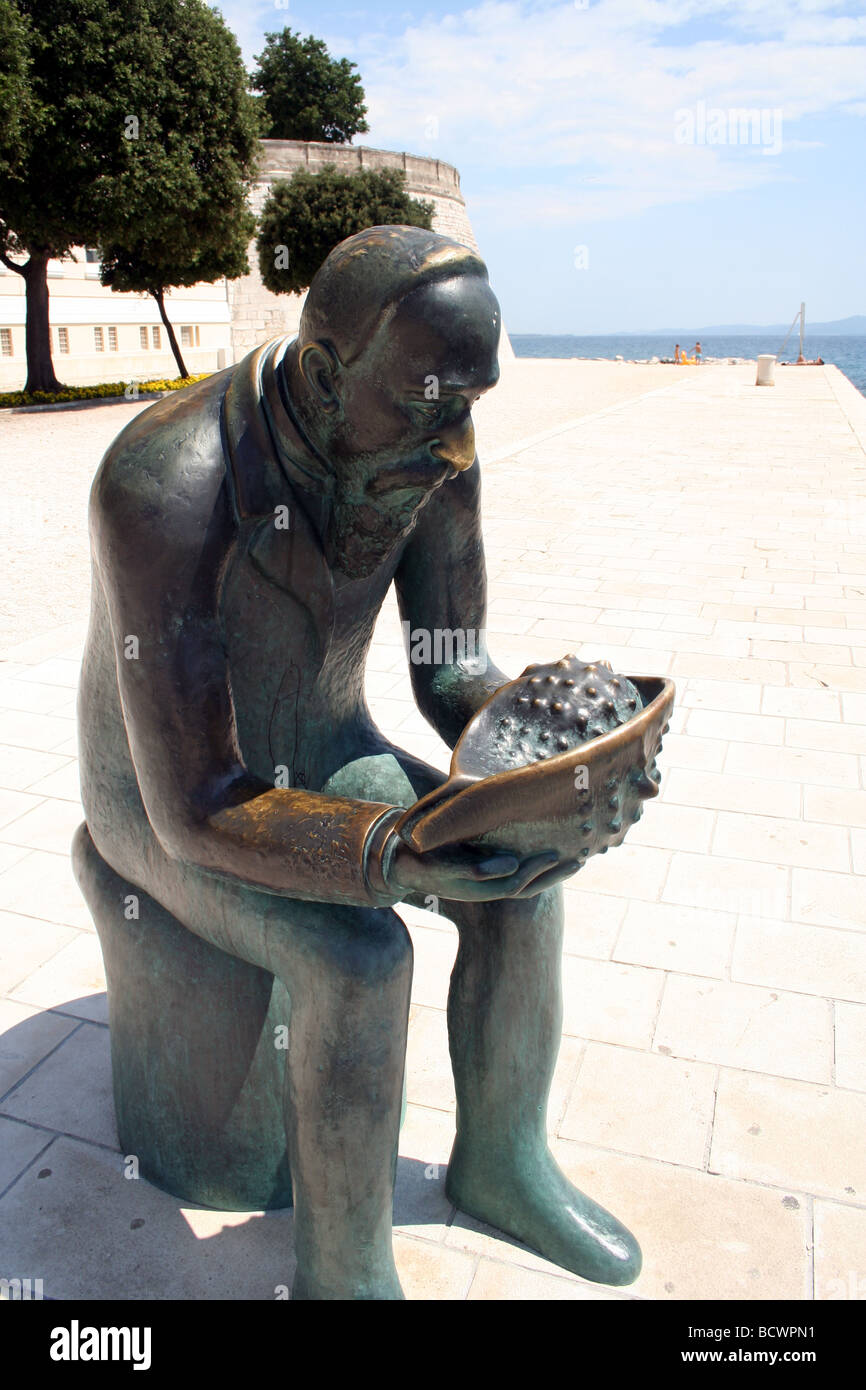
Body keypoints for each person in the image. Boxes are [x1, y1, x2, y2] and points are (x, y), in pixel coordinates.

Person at [73, 225, 641, 1300]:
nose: (454, 428)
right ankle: (343, 1271)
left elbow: (449, 664)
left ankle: (501, 1163)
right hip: (164, 801)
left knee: (522, 888)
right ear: (330, 373)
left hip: (327, 752)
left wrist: (546, 763)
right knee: (359, 961)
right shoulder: (166, 482)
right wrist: (395, 851)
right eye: (430, 396)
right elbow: (194, 801)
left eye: (471, 396)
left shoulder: (433, 445)